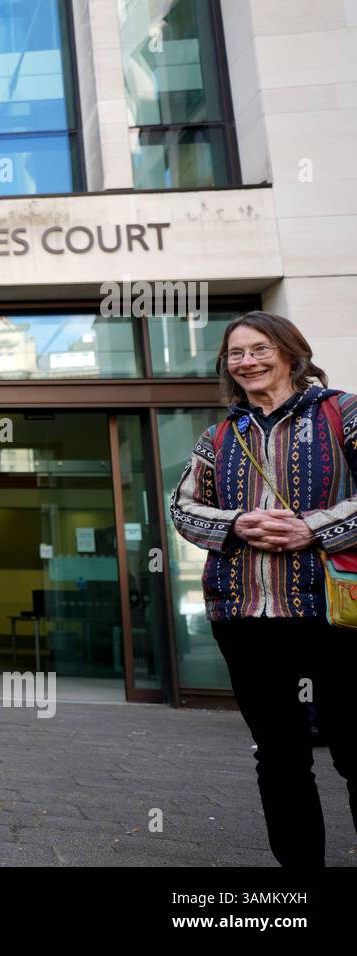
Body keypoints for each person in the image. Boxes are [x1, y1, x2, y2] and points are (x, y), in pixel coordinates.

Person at [170, 310, 357, 866]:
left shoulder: (343, 412)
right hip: (245, 615)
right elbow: (182, 508)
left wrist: (313, 529)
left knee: (354, 749)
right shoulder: (219, 434)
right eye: (235, 353)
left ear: (291, 352)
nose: (247, 361)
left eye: (258, 349)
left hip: (335, 614)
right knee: (278, 757)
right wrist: (233, 525)